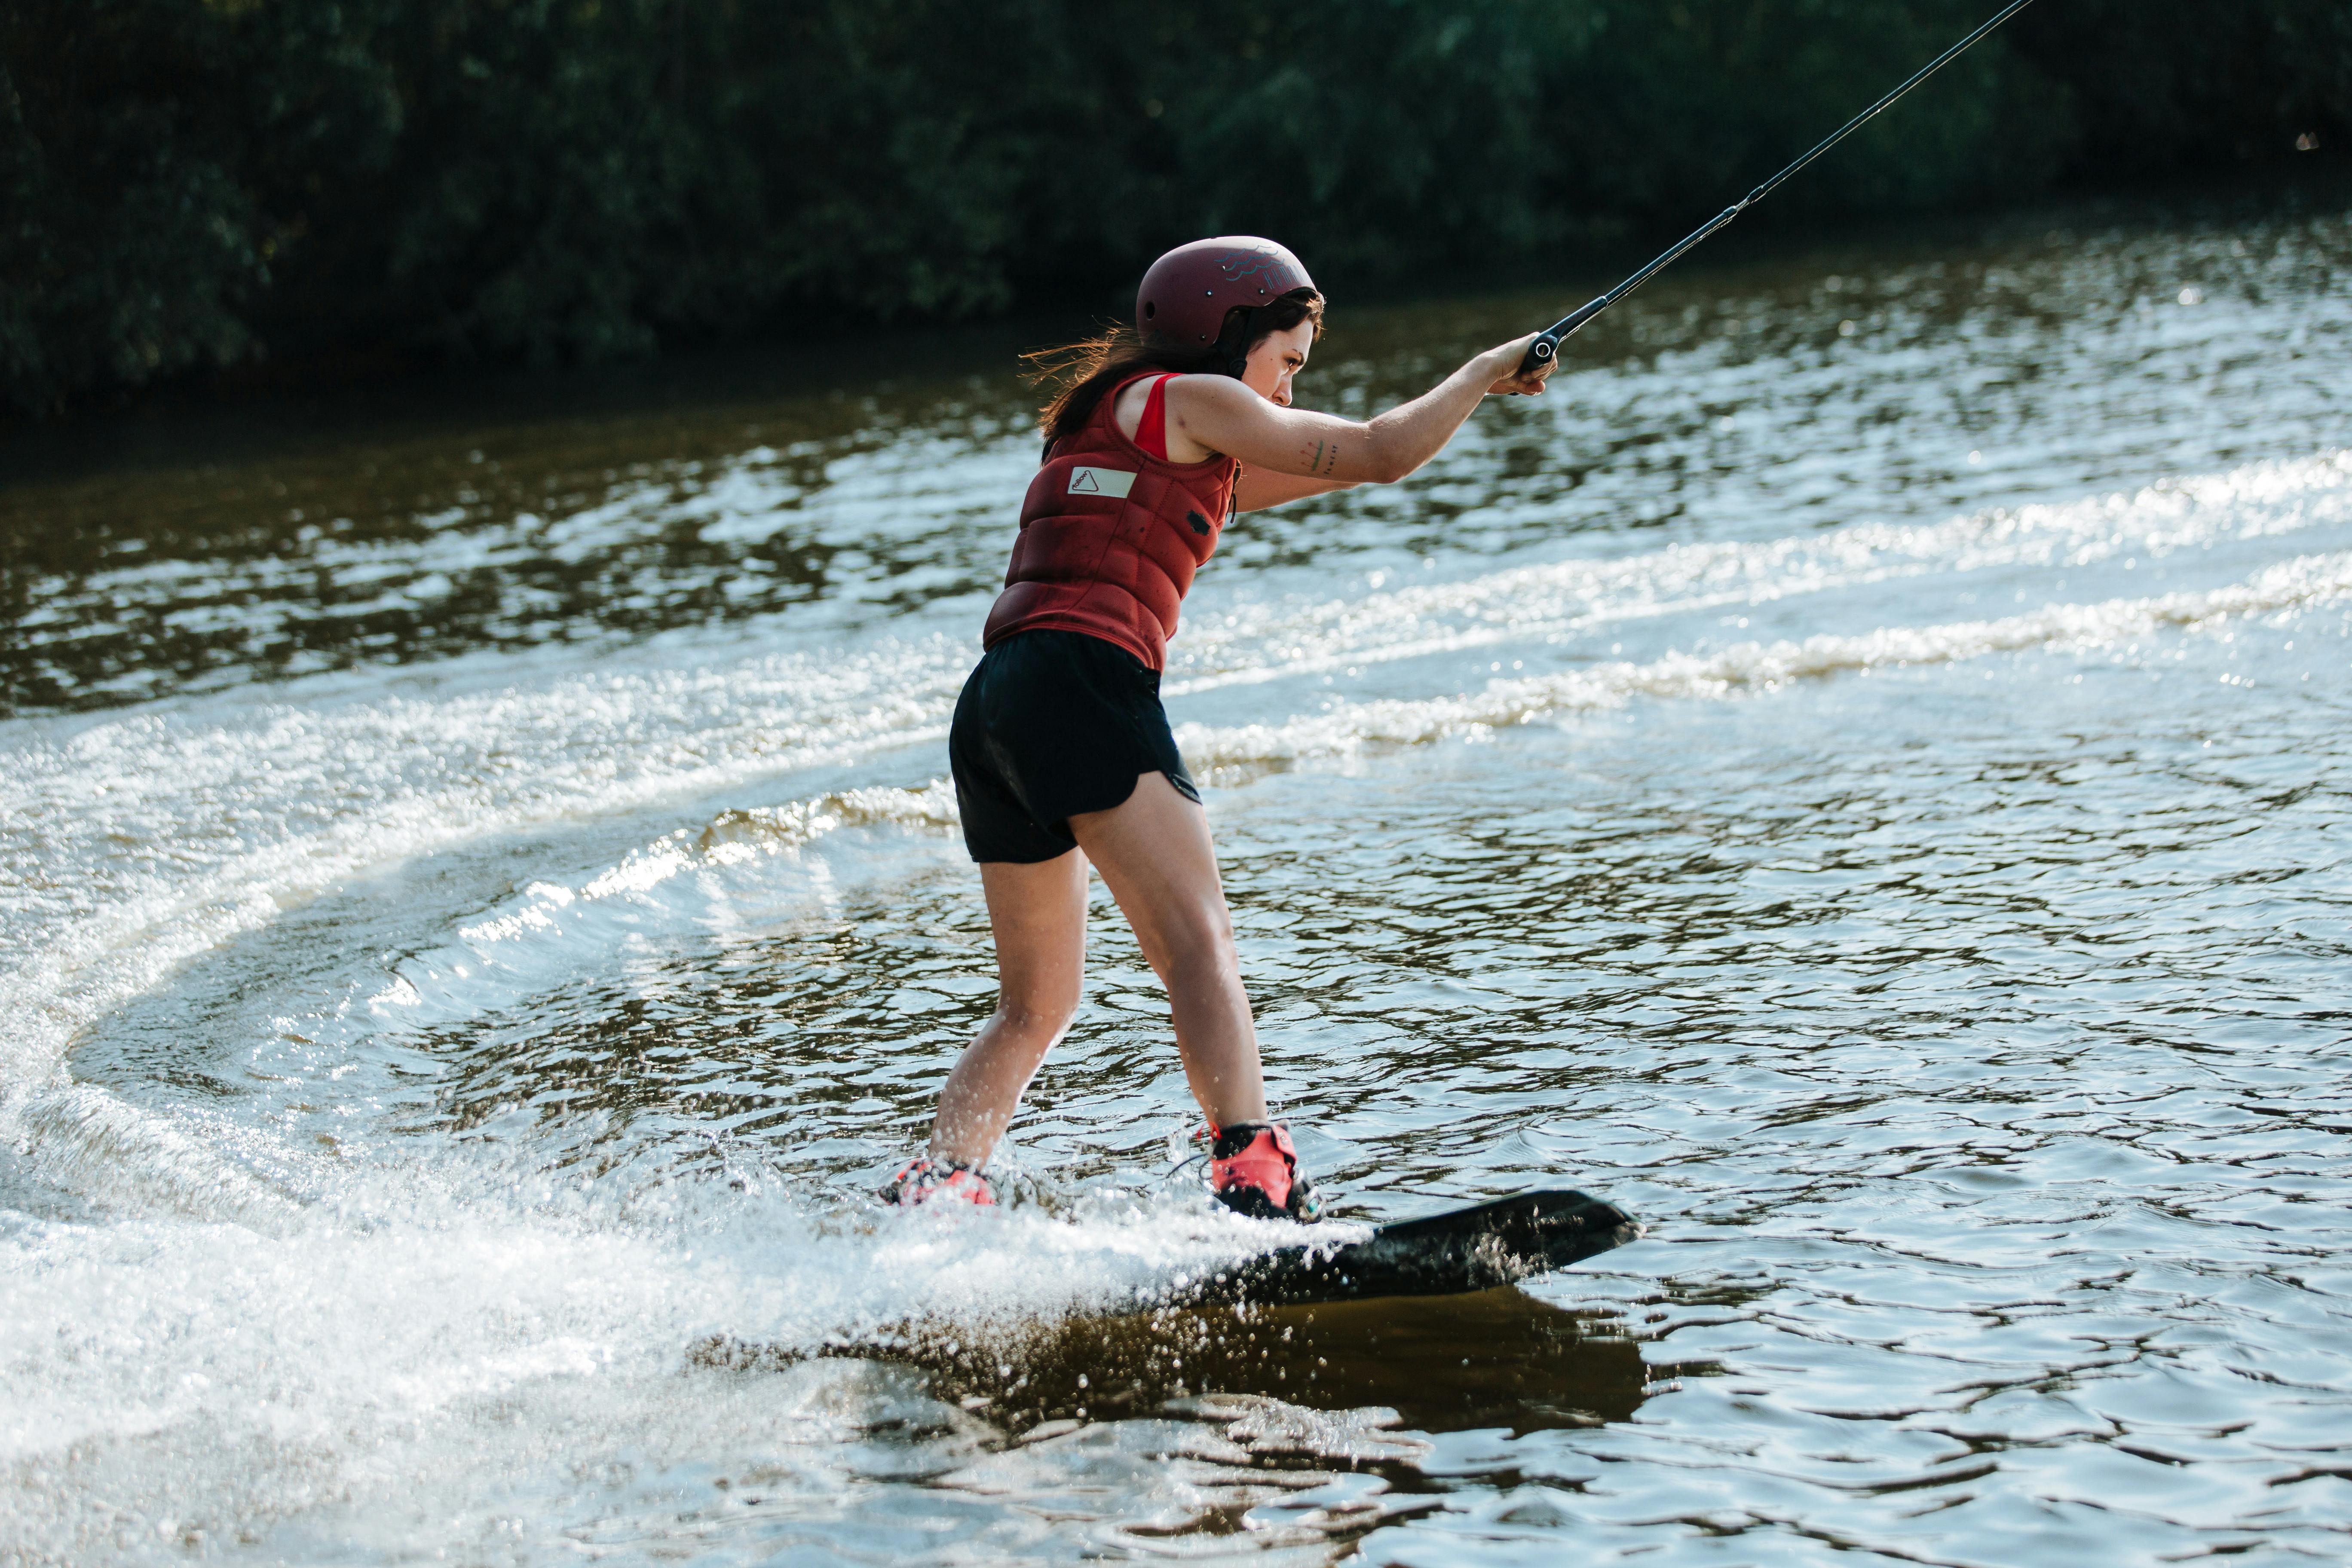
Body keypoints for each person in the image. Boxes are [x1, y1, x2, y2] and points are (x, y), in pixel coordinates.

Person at [883, 236, 1553, 1219]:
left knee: (1037, 1006)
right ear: (1228, 334)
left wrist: (1453, 407)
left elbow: (1354, 465)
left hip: (996, 707)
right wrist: (1487, 370)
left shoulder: (1120, 425)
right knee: (1200, 942)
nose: (1285, 394)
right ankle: (1254, 1182)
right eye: (1286, 364)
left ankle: (936, 1191)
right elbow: (1380, 452)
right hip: (1086, 681)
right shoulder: (1193, 398)